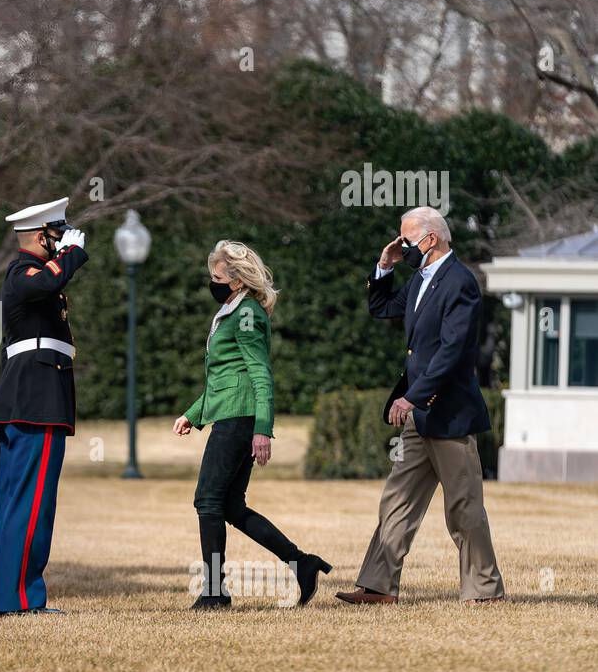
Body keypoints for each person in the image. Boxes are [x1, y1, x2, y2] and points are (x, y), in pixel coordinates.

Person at [336, 207, 505, 605]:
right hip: (420, 416)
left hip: (449, 413)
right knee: (397, 501)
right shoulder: (419, 281)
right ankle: (378, 586)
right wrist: (383, 266)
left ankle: (484, 590)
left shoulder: (460, 282)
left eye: (407, 240)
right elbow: (381, 308)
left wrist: (413, 395)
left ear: (432, 239)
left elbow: (453, 352)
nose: (403, 247)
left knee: (463, 507)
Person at [174, 240, 333, 609]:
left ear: (237, 280)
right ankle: (303, 564)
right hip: (231, 412)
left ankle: (214, 591)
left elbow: (260, 373)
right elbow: (224, 377)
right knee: (228, 505)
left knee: (208, 500)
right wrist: (192, 414)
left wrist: (263, 428)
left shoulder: (246, 313)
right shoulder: (233, 308)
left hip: (240, 418)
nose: (211, 283)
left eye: (217, 277)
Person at [0, 197, 87, 615]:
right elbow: (47, 282)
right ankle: (22, 600)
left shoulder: (33, 277)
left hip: (30, 401)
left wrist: (65, 257)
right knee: (30, 505)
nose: (62, 240)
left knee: (19, 504)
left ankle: (11, 597)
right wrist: (73, 254)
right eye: (57, 234)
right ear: (40, 236)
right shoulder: (22, 274)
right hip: (36, 402)